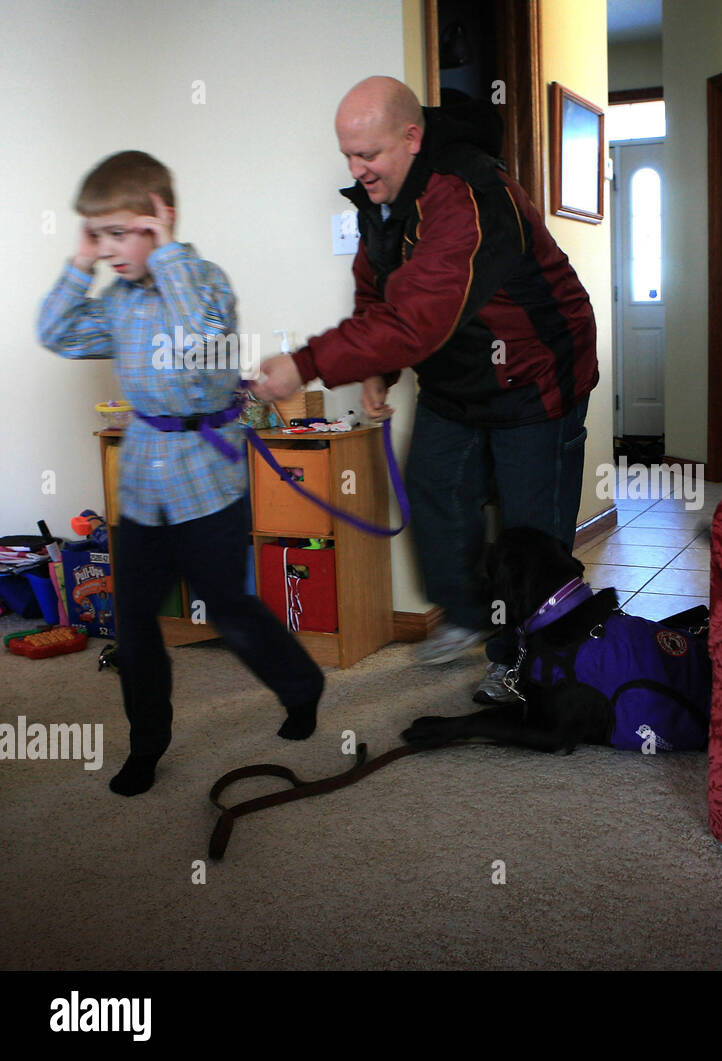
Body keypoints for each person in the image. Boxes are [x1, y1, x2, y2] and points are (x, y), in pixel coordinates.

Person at [253, 77, 599, 700]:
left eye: (369, 155)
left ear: (412, 137)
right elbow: (376, 287)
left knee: (530, 534)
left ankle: (525, 656)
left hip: (536, 372)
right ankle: (471, 616)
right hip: (453, 377)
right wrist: (374, 367)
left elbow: (417, 317)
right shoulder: (384, 198)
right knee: (433, 486)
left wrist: (303, 364)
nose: (357, 170)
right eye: (348, 157)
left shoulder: (469, 193)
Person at [38, 151, 325, 796]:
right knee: (135, 620)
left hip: (206, 483)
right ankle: (147, 744)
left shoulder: (207, 283)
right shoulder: (119, 301)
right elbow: (55, 332)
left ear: (159, 219)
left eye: (119, 233)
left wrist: (167, 260)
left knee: (228, 605)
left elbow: (209, 364)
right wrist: (78, 263)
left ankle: (302, 687)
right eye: (99, 235)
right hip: (142, 486)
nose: (110, 249)